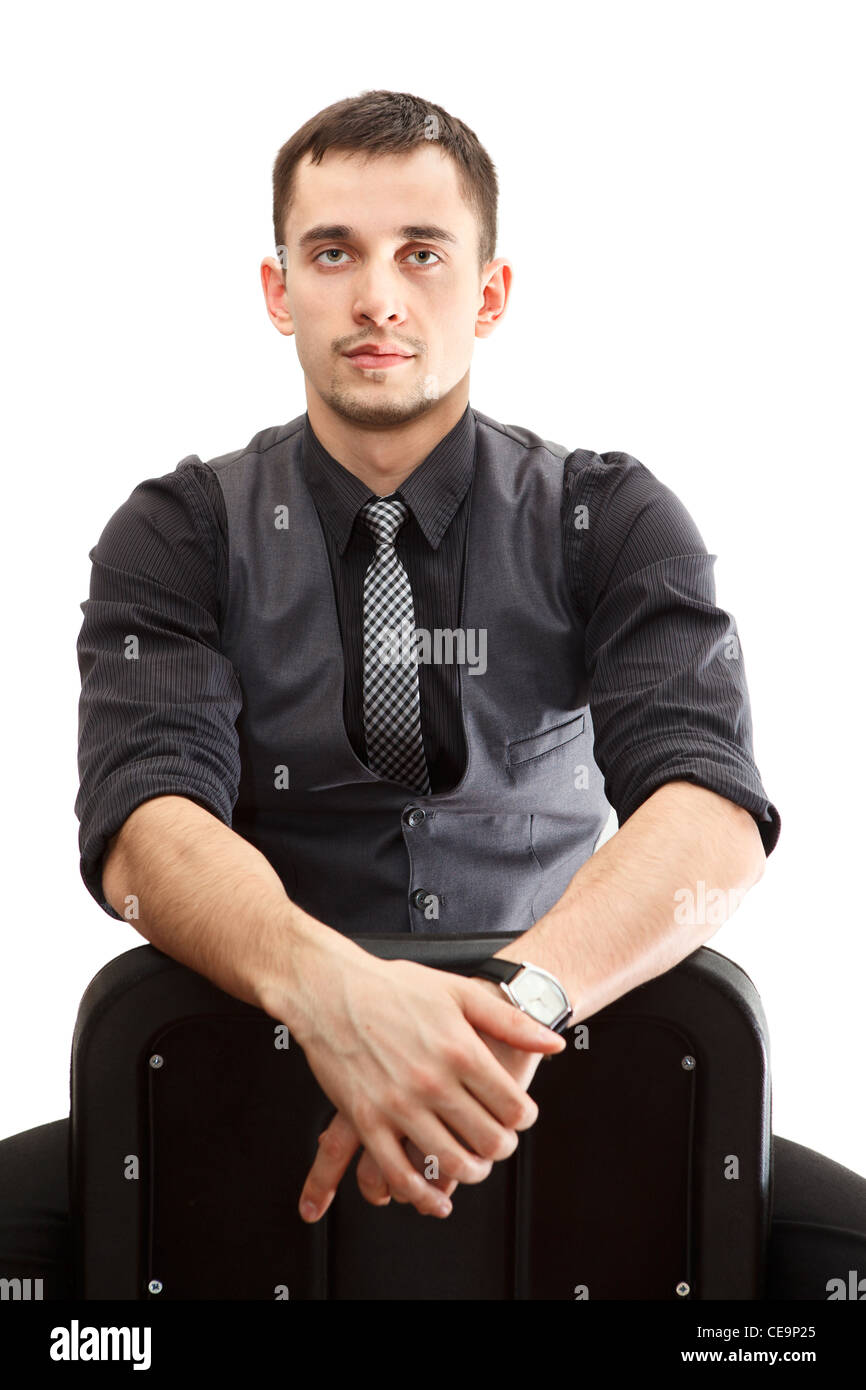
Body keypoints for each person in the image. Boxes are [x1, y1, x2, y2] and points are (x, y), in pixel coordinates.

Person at [2, 89, 864, 1302]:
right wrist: (337, 998)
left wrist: (494, 1022)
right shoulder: (174, 533)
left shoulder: (610, 517)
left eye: (420, 253)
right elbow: (147, 824)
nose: (376, 299)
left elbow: (709, 815)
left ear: (488, 292)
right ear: (276, 290)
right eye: (331, 253)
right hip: (240, 1091)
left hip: (563, 1081)